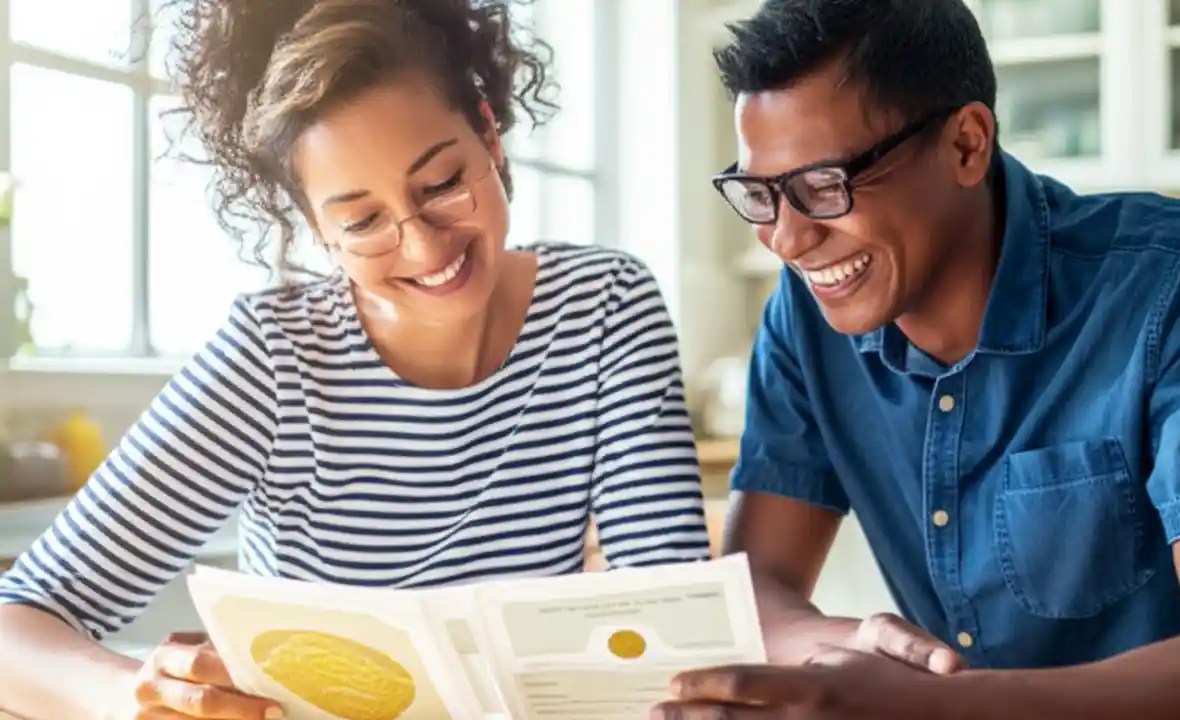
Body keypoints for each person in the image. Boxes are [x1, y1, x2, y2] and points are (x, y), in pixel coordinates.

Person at [0, 1, 710, 719]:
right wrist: (129, 697)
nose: (426, 248)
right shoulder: (271, 359)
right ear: (317, 229)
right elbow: (14, 624)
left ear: (489, 133)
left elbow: (674, 614)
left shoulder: (605, 306)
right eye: (363, 221)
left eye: (441, 184)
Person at [653, 1, 1180, 718]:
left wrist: (936, 708)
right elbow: (756, 584)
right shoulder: (804, 322)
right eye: (760, 194)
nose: (787, 241)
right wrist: (858, 650)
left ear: (966, 145)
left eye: (824, 186)